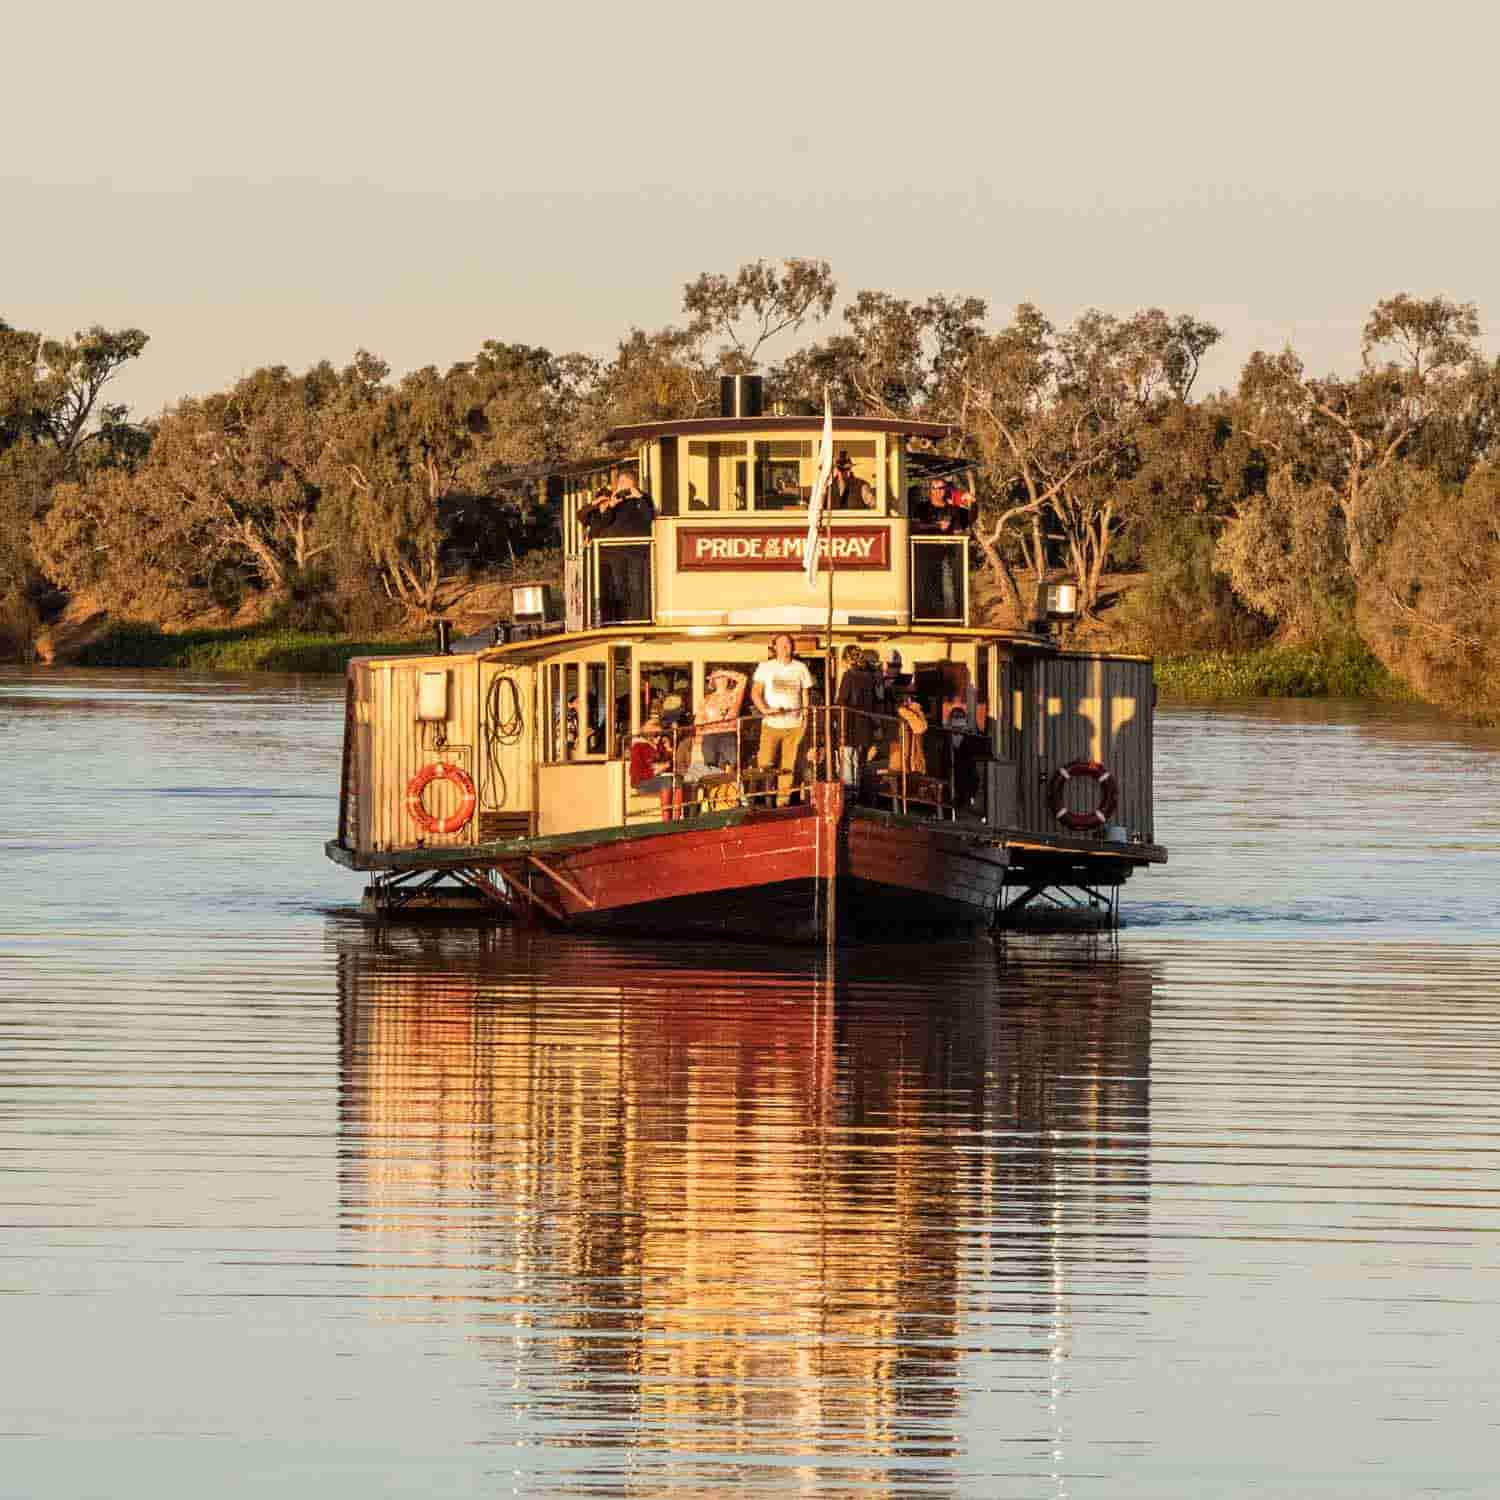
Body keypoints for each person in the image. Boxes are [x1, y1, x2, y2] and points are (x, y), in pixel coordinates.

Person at [583, 467, 656, 623]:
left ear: (632, 482)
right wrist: (611, 506)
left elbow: (649, 517)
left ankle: (638, 620)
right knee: (619, 586)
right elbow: (602, 522)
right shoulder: (614, 499)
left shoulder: (644, 498)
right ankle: (619, 621)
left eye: (623, 482)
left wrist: (639, 499)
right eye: (619, 482)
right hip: (616, 551)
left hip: (637, 550)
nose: (620, 486)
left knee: (636, 586)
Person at [751, 633, 815, 807]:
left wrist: (806, 718)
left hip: (795, 725)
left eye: (788, 643)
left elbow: (805, 694)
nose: (786, 647)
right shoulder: (765, 666)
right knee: (765, 764)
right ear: (775, 648)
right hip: (771, 724)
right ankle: (764, 800)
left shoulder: (801, 668)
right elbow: (755, 692)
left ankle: (783, 803)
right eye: (782, 644)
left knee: (790, 766)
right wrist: (765, 710)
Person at [913, 477, 974, 619]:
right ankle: (926, 619)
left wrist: (973, 503)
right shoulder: (922, 508)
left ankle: (951, 621)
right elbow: (914, 526)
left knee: (948, 590)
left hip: (947, 555)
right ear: (930, 491)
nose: (939, 491)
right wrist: (936, 526)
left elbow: (967, 522)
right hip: (924, 555)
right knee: (925, 589)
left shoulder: (953, 510)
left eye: (942, 488)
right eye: (935, 488)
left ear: (946, 490)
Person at [835, 643, 878, 787]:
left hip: (849, 726)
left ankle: (848, 794)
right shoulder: (870, 677)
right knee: (857, 762)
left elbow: (842, 702)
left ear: (845, 660)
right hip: (864, 726)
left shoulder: (849, 675)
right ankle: (856, 793)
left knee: (846, 761)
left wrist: (839, 727)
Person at [696, 667, 748, 769]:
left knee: (732, 766)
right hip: (709, 735)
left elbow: (743, 679)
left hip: (728, 734)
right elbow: (698, 720)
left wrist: (724, 672)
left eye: (724, 677)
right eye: (718, 677)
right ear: (713, 681)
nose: (721, 679)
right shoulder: (707, 699)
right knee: (710, 768)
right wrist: (699, 736)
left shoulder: (734, 695)